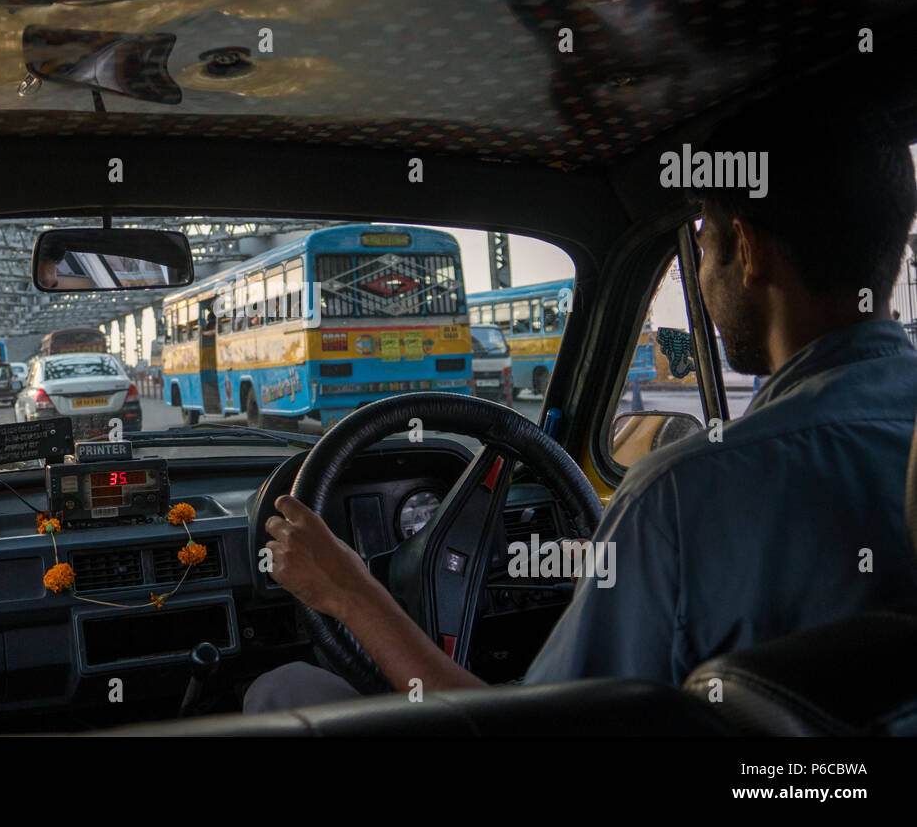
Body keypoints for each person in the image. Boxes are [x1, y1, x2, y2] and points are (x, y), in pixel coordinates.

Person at [245, 99, 917, 711]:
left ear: (749, 250)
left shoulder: (681, 496)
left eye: (704, 243)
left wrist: (349, 590)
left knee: (281, 688)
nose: (700, 277)